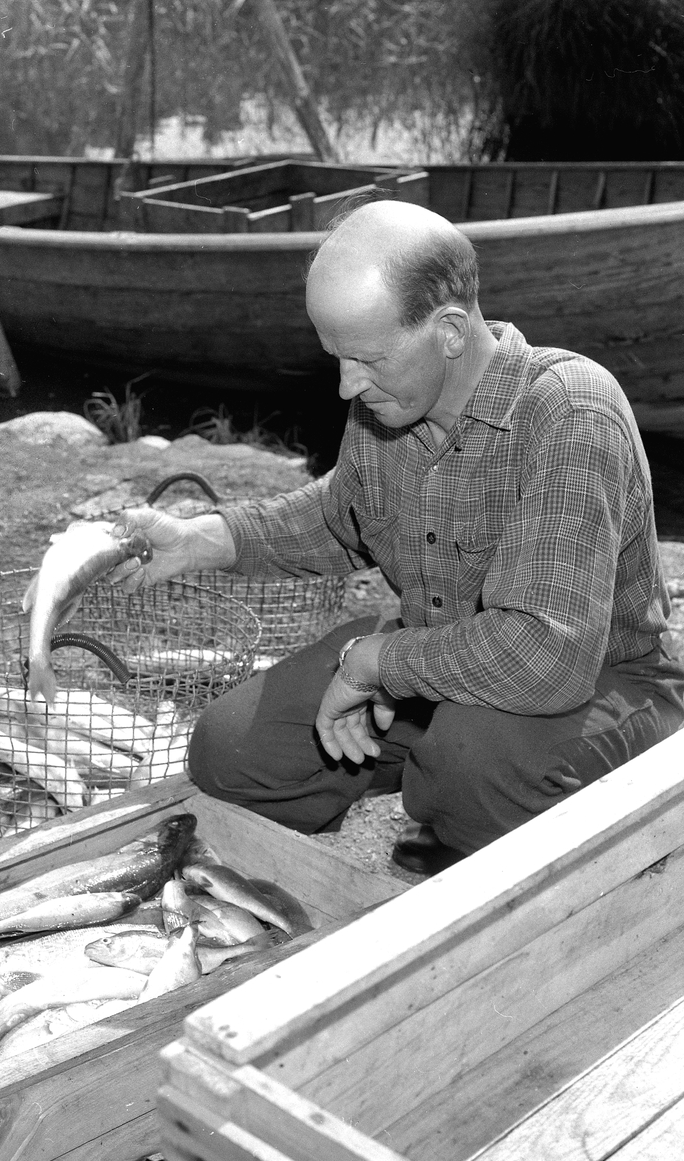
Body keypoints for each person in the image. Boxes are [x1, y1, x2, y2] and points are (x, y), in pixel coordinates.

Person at [111, 199, 684, 877]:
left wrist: (375, 663)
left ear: (447, 331)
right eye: (338, 359)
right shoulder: (385, 406)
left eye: (367, 359)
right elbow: (336, 515)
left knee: (473, 758)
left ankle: (502, 834)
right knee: (230, 751)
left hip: (600, 684)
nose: (348, 385)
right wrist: (202, 539)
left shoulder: (569, 412)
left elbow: (544, 659)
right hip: (436, 668)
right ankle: (445, 792)